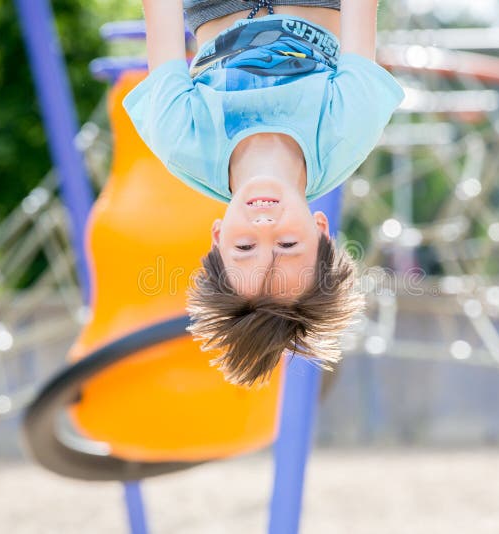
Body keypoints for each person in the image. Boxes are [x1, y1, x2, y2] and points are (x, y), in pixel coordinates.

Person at [123, 0, 404, 386]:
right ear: (321, 230)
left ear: (218, 238)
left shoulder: (182, 141)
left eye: (244, 248)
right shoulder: (344, 133)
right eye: (288, 244)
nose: (265, 225)